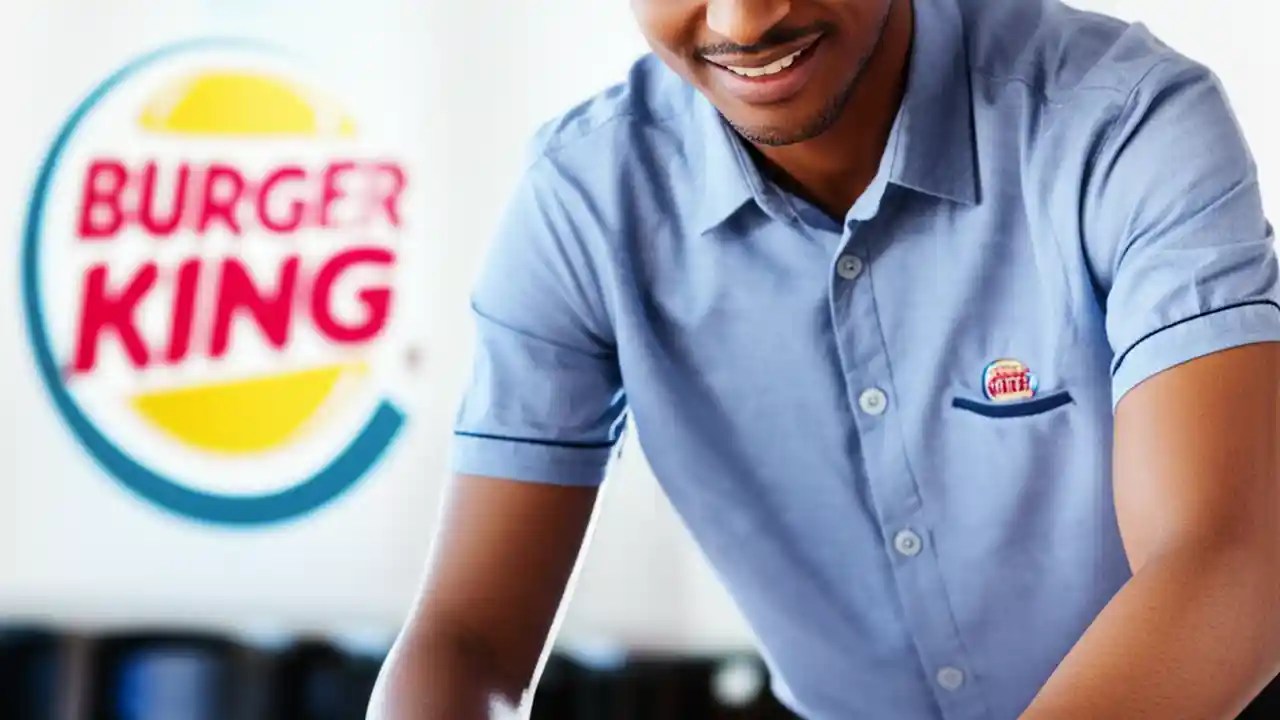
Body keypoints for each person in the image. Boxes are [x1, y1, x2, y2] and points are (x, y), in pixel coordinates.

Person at [368, 0, 1280, 717]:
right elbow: (472, 641)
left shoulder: (1121, 120)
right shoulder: (585, 202)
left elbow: (1229, 558)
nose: (743, 22)